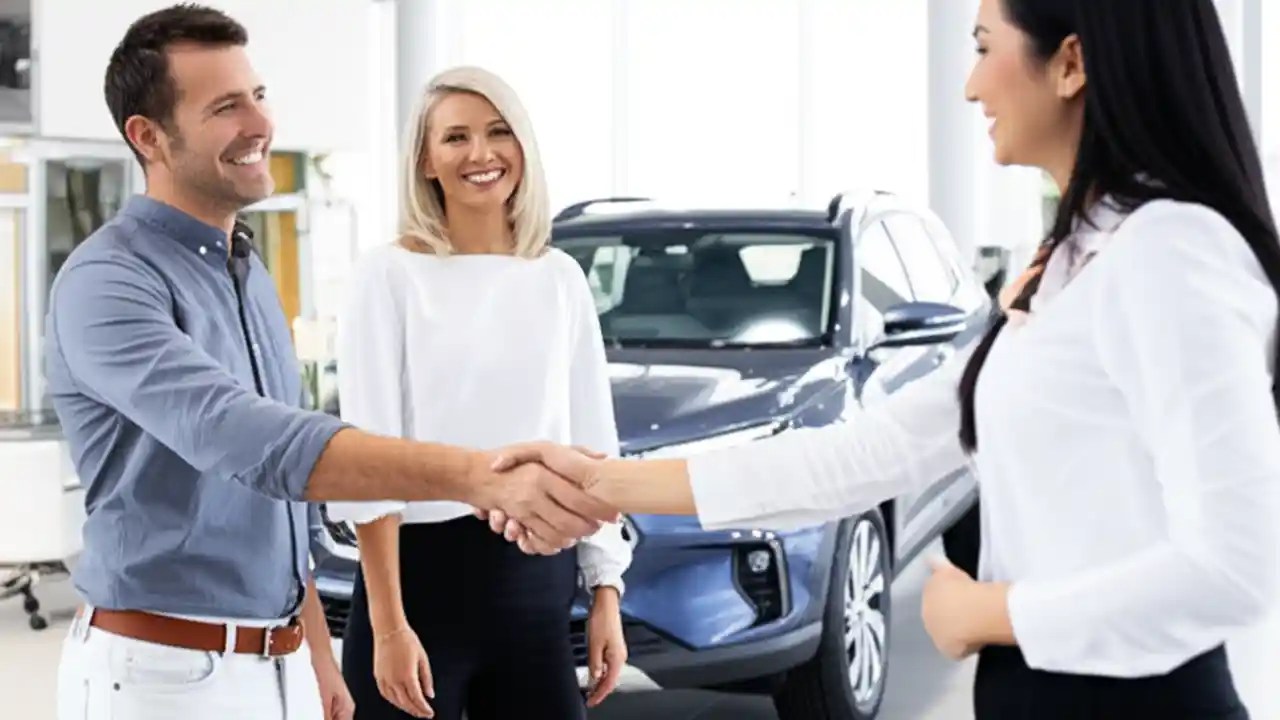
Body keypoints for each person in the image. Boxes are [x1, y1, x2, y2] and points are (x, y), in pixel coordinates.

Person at [486, 0, 1280, 717]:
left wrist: (993, 614)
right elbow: (873, 451)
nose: (971, 86)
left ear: (1070, 63)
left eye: (982, 47)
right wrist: (605, 482)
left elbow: (1235, 565)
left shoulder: (1172, 251)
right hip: (1039, 692)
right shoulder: (1077, 258)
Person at [46, 6, 616, 720]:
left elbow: (280, 508)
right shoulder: (108, 281)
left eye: (258, 97)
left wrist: (314, 654)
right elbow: (244, 439)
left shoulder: (245, 275)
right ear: (147, 136)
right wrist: (481, 476)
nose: (260, 124)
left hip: (272, 660)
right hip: (162, 672)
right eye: (226, 107)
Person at [325, 65, 632, 720]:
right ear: (426, 160)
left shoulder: (560, 278)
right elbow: (367, 465)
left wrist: (606, 589)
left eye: (498, 132)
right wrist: (387, 626)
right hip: (418, 584)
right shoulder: (389, 276)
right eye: (455, 137)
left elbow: (594, 447)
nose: (481, 154)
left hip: (537, 589)